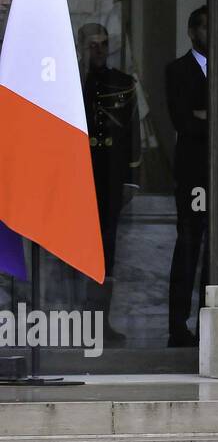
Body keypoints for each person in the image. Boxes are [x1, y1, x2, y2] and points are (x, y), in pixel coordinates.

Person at [78, 23, 139, 342]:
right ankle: (75, 324)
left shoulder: (122, 83)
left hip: (110, 173)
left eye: (103, 44)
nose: (99, 50)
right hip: (77, 174)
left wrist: (131, 178)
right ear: (81, 46)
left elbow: (133, 134)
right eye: (92, 45)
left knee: (107, 248)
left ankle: (100, 324)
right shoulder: (69, 80)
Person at [164, 5, 209, 347]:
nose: (211, 34)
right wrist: (211, 115)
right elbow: (183, 121)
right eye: (205, 28)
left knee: (217, 251)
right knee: (189, 245)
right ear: (192, 32)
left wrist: (206, 114)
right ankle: (178, 326)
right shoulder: (178, 70)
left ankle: (210, 322)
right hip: (192, 169)